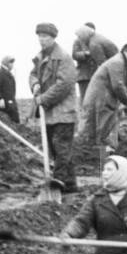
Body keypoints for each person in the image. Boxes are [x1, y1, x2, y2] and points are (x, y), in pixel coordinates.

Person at [29, 22, 78, 193]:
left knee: (61, 148)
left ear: (53, 38)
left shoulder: (64, 58)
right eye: (40, 36)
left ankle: (58, 185)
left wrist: (43, 98)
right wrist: (34, 83)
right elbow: (33, 73)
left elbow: (64, 84)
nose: (42, 40)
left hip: (64, 112)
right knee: (57, 149)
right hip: (49, 112)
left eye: (46, 37)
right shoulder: (40, 56)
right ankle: (70, 184)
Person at [82, 43, 127, 162]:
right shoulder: (117, 62)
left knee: (107, 129)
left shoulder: (124, 63)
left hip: (105, 98)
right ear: (125, 51)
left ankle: (105, 162)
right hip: (102, 99)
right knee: (105, 131)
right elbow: (118, 86)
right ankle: (105, 164)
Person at [72, 23, 118, 104]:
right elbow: (74, 55)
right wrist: (85, 54)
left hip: (96, 72)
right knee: (85, 98)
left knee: (98, 97)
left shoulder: (95, 42)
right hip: (84, 75)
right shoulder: (78, 41)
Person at [0, 55, 20, 123]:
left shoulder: (9, 74)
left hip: (11, 104)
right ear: (6, 63)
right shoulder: (0, 73)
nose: (12, 64)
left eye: (12, 62)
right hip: (4, 106)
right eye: (10, 62)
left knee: (16, 122)